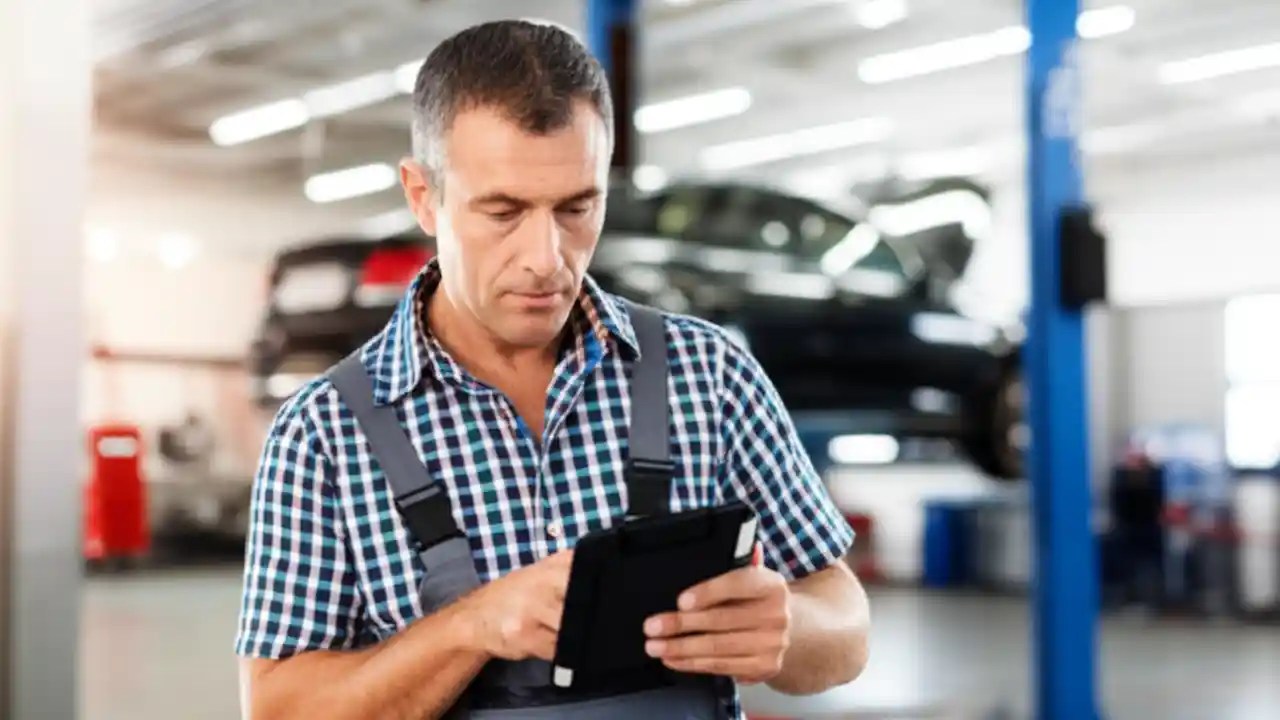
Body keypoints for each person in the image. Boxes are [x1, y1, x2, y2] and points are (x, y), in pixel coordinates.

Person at [236, 19, 869, 720]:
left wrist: (791, 629)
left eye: (577, 207)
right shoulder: (324, 435)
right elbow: (278, 709)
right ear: (423, 196)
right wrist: (471, 626)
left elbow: (843, 619)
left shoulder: (710, 375)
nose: (545, 256)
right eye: (503, 211)